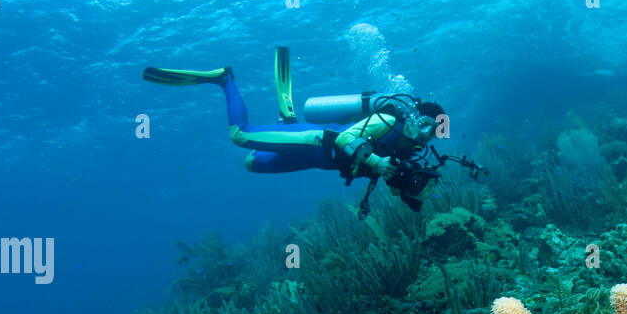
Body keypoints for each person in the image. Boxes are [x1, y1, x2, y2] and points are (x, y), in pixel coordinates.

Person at [144, 48, 455, 214]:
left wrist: (412, 191)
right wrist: (377, 163)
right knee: (239, 136)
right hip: (316, 141)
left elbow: (393, 178)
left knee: (252, 163)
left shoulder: (408, 147)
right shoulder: (389, 120)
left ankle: (287, 119)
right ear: (416, 116)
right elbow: (347, 138)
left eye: (433, 132)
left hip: (317, 160)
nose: (427, 134)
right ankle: (225, 79)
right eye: (426, 124)